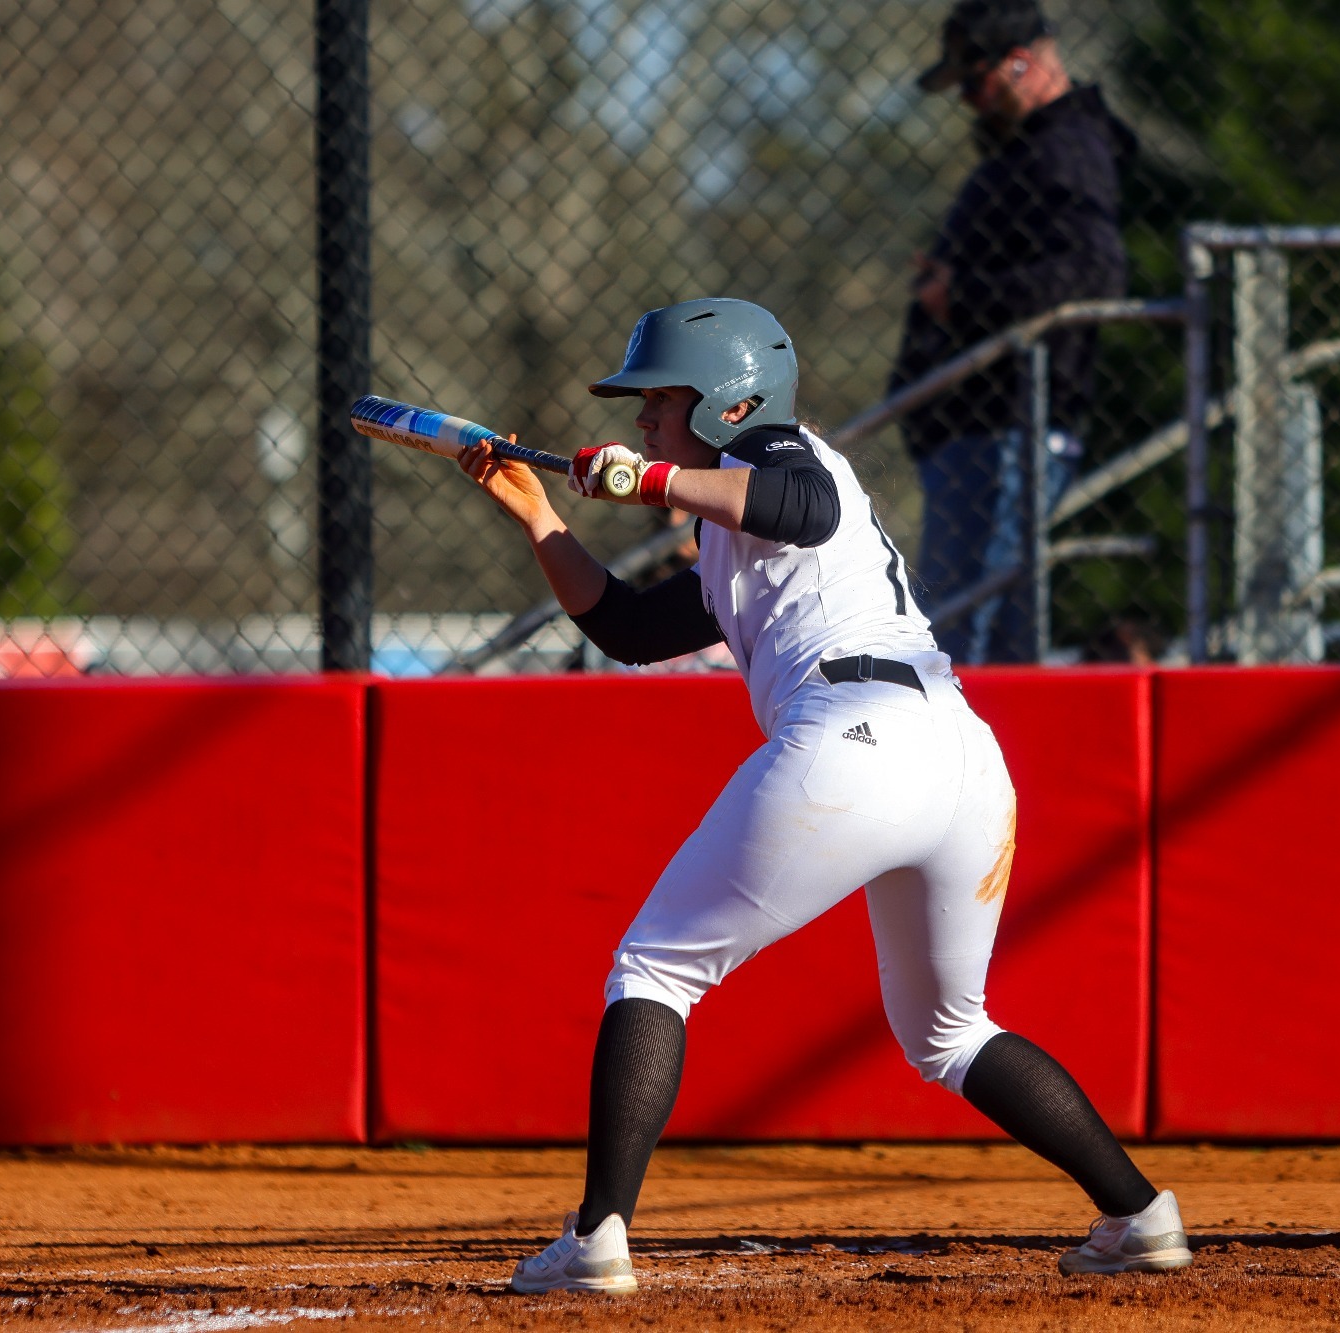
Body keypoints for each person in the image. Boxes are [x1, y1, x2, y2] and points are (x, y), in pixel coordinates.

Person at [455, 297, 1192, 1293]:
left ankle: (596, 1236)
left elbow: (802, 504)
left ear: (729, 402)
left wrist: (648, 479)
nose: (643, 419)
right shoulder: (730, 531)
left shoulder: (781, 454)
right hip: (956, 755)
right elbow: (629, 630)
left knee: (654, 969)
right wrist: (540, 517)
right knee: (949, 1032)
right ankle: (1139, 1214)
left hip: (859, 732)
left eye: (661, 401)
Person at [889, 0, 1136, 664]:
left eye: (975, 83)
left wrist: (962, 296)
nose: (967, 101)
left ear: (1020, 63)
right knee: (978, 633)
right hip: (985, 428)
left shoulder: (1064, 148)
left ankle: (966, 736)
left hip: (1007, 426)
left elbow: (1095, 272)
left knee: (962, 640)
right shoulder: (1031, 151)